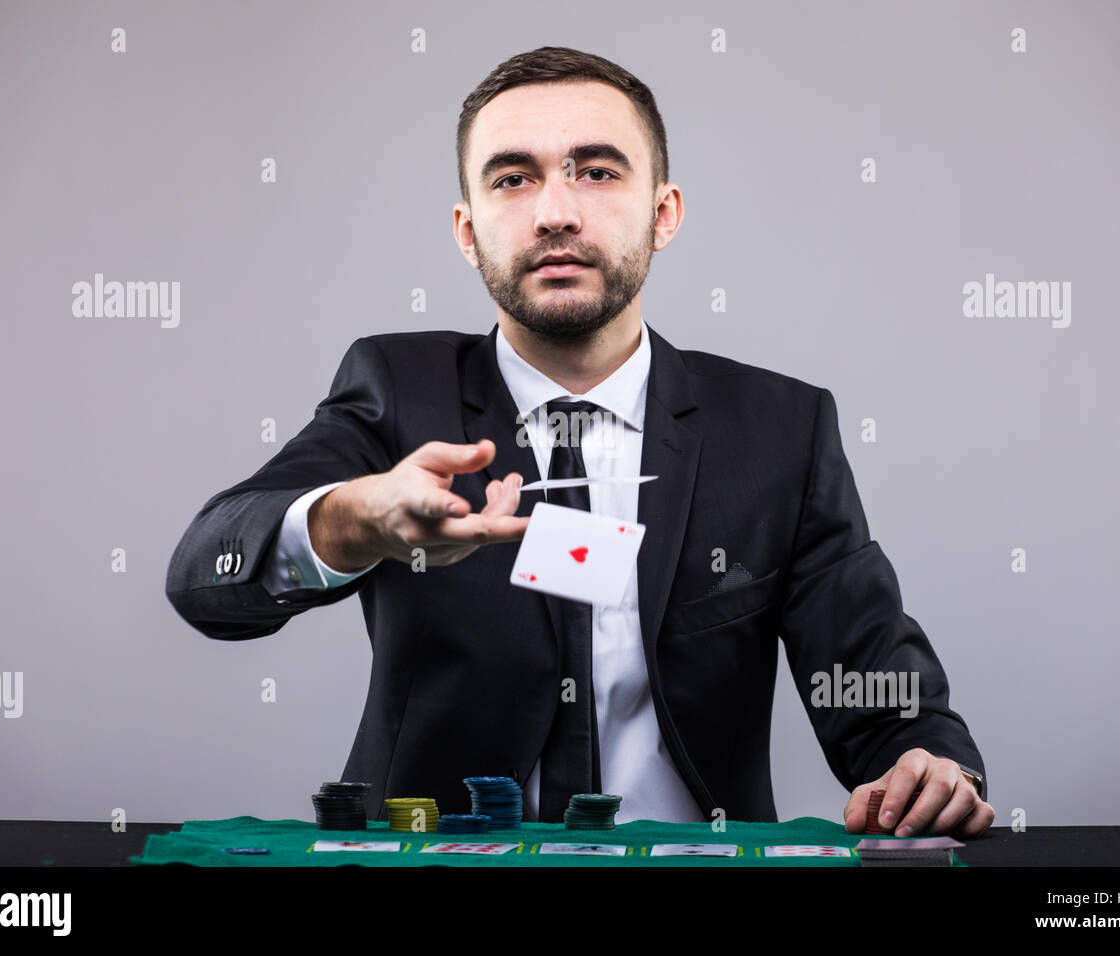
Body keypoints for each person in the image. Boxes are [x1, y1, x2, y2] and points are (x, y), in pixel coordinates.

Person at [166, 46, 994, 838]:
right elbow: (205, 573)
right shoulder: (395, 390)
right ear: (466, 230)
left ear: (663, 213)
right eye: (512, 178)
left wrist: (924, 762)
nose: (555, 211)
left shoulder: (779, 429)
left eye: (596, 172)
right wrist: (353, 521)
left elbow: (876, 688)